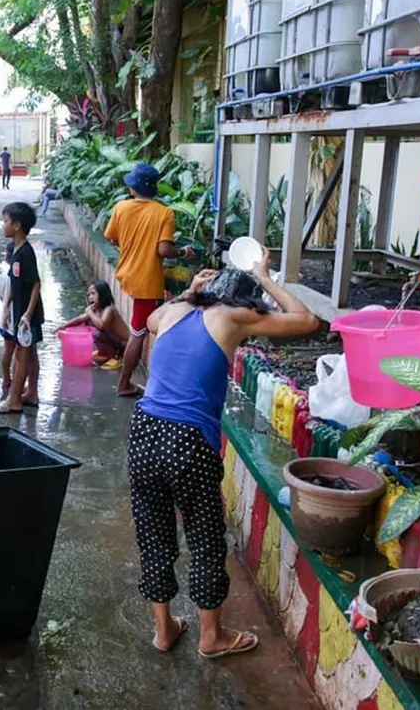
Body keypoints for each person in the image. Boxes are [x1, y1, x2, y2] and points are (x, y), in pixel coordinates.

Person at [127, 251, 318, 659]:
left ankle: (164, 631)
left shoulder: (174, 312)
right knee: (205, 540)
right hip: (187, 438)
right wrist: (265, 278)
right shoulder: (233, 318)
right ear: (244, 303)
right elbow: (306, 321)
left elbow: (148, 321)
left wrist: (189, 291)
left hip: (143, 431)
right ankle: (211, 637)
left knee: (153, 533)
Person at [103, 163, 193, 398]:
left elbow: (111, 238)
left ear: (133, 189)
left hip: (127, 274)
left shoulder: (121, 207)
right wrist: (184, 252)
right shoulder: (164, 213)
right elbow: (164, 249)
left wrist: (131, 248)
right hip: (147, 282)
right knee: (138, 334)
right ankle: (124, 384)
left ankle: (130, 380)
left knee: (138, 328)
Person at [0, 202, 42, 414]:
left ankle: (14, 401)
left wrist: (28, 315)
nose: (3, 226)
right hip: (20, 312)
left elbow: (36, 285)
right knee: (30, 354)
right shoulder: (17, 252)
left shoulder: (26, 253)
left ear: (17, 225)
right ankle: (31, 393)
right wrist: (6, 309)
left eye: (5, 221)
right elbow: (12, 284)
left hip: (29, 315)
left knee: (22, 356)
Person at [57, 280, 130, 367]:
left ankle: (112, 355)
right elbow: (80, 319)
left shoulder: (109, 309)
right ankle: (105, 353)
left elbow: (102, 326)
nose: (90, 297)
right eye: (89, 294)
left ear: (102, 294)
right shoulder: (96, 309)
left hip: (125, 346)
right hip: (114, 343)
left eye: (93, 294)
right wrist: (63, 327)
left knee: (96, 332)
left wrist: (90, 312)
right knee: (86, 323)